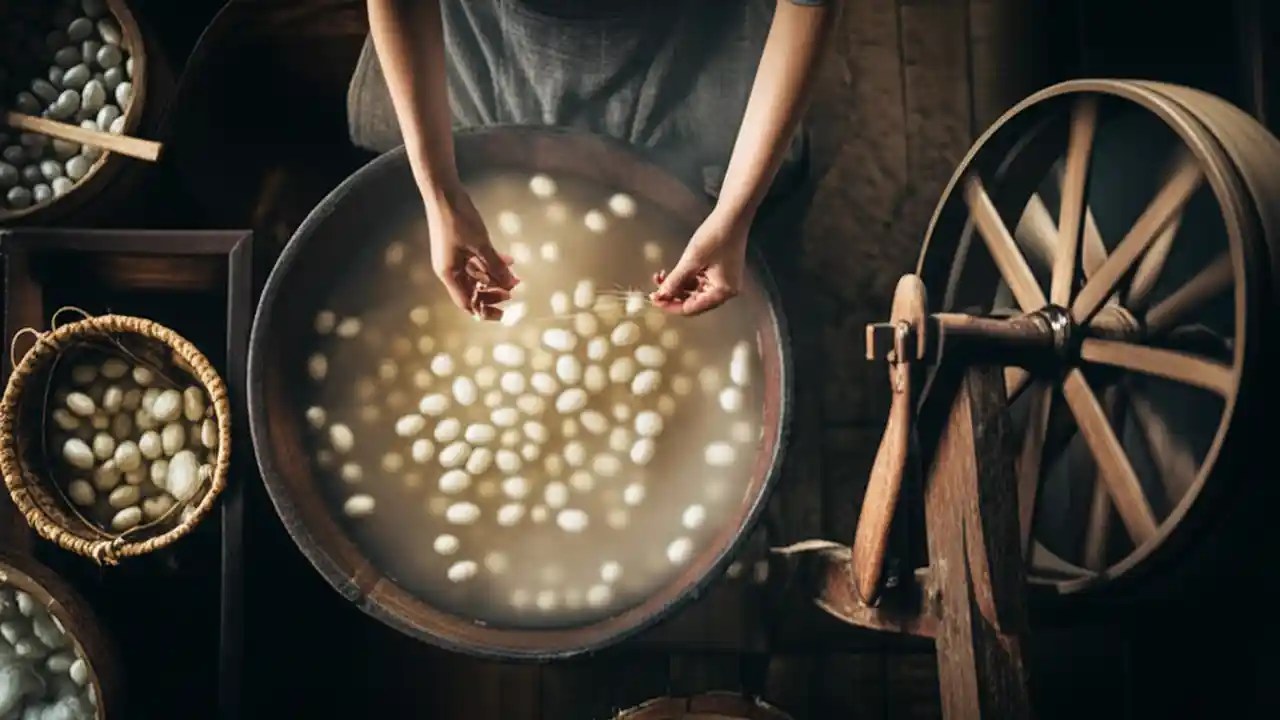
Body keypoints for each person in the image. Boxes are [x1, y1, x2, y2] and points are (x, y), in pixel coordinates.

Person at [351, 0, 838, 317]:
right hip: (479, 31)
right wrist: (440, 193)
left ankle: (759, 267)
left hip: (699, 32)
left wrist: (736, 211)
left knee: (754, 194)